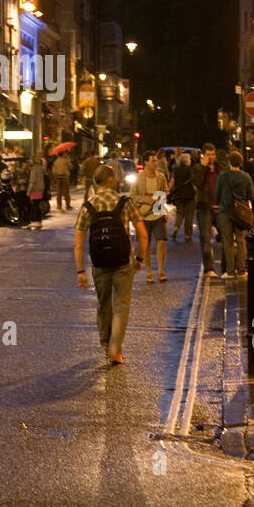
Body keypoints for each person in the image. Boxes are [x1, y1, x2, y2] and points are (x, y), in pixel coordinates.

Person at [75, 164, 148, 365]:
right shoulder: (125, 203)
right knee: (121, 304)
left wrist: (80, 270)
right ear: (110, 180)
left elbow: (79, 241)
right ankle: (116, 347)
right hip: (123, 261)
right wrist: (140, 259)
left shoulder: (88, 205)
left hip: (99, 263)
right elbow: (142, 234)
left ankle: (106, 345)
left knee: (103, 303)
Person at [216, 150, 254, 279]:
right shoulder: (246, 177)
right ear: (241, 163)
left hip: (226, 211)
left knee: (227, 241)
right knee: (241, 240)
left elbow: (217, 194)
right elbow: (251, 196)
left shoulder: (222, 176)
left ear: (229, 162)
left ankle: (230, 271)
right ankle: (242, 270)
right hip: (241, 214)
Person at [136, 151, 169, 283]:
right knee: (147, 245)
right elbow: (132, 196)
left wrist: (162, 196)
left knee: (161, 241)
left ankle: (161, 270)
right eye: (153, 161)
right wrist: (147, 200)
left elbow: (166, 191)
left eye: (156, 160)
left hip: (158, 212)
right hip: (143, 214)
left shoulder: (160, 177)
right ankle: (149, 272)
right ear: (145, 162)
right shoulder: (139, 178)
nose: (156, 163)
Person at [191, 143, 218, 279]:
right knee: (206, 239)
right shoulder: (197, 168)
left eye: (213, 154)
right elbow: (198, 183)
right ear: (203, 155)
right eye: (208, 155)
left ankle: (228, 269)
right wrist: (203, 167)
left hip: (219, 207)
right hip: (204, 207)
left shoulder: (219, 168)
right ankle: (209, 268)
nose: (211, 158)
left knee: (227, 238)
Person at [170, 152, 194, 242]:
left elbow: (172, 181)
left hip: (179, 194)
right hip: (190, 194)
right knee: (189, 215)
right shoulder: (190, 170)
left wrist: (169, 191)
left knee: (180, 212)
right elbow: (194, 183)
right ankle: (188, 234)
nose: (190, 161)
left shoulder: (175, 170)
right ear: (186, 161)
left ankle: (176, 227)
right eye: (189, 159)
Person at [26, 155, 46, 230]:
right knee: (37, 205)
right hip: (41, 189)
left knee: (34, 205)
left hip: (35, 189)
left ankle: (35, 221)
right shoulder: (41, 168)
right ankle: (39, 221)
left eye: (31, 160)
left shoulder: (34, 169)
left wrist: (28, 191)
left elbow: (32, 181)